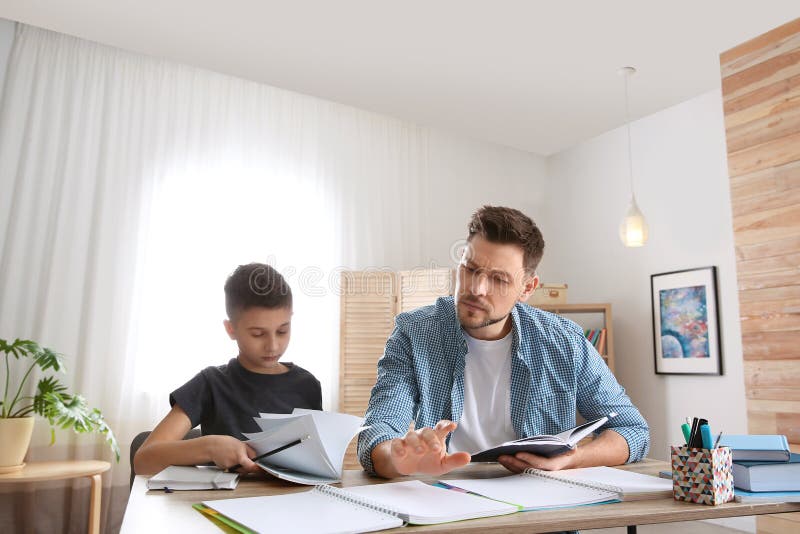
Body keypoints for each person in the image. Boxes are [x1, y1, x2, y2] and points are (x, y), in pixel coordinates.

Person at [358, 206, 649, 478]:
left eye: (498, 279)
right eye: (470, 269)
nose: (476, 288)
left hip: (542, 510)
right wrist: (399, 461)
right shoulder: (414, 333)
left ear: (527, 288)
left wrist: (572, 458)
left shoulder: (565, 342)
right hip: (446, 502)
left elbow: (632, 430)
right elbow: (377, 433)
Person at [134, 263, 322, 475]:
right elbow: (144, 460)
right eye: (258, 334)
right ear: (230, 329)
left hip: (294, 504)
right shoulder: (210, 384)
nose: (273, 345)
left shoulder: (308, 386)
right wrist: (210, 447)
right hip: (223, 505)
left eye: (282, 331)